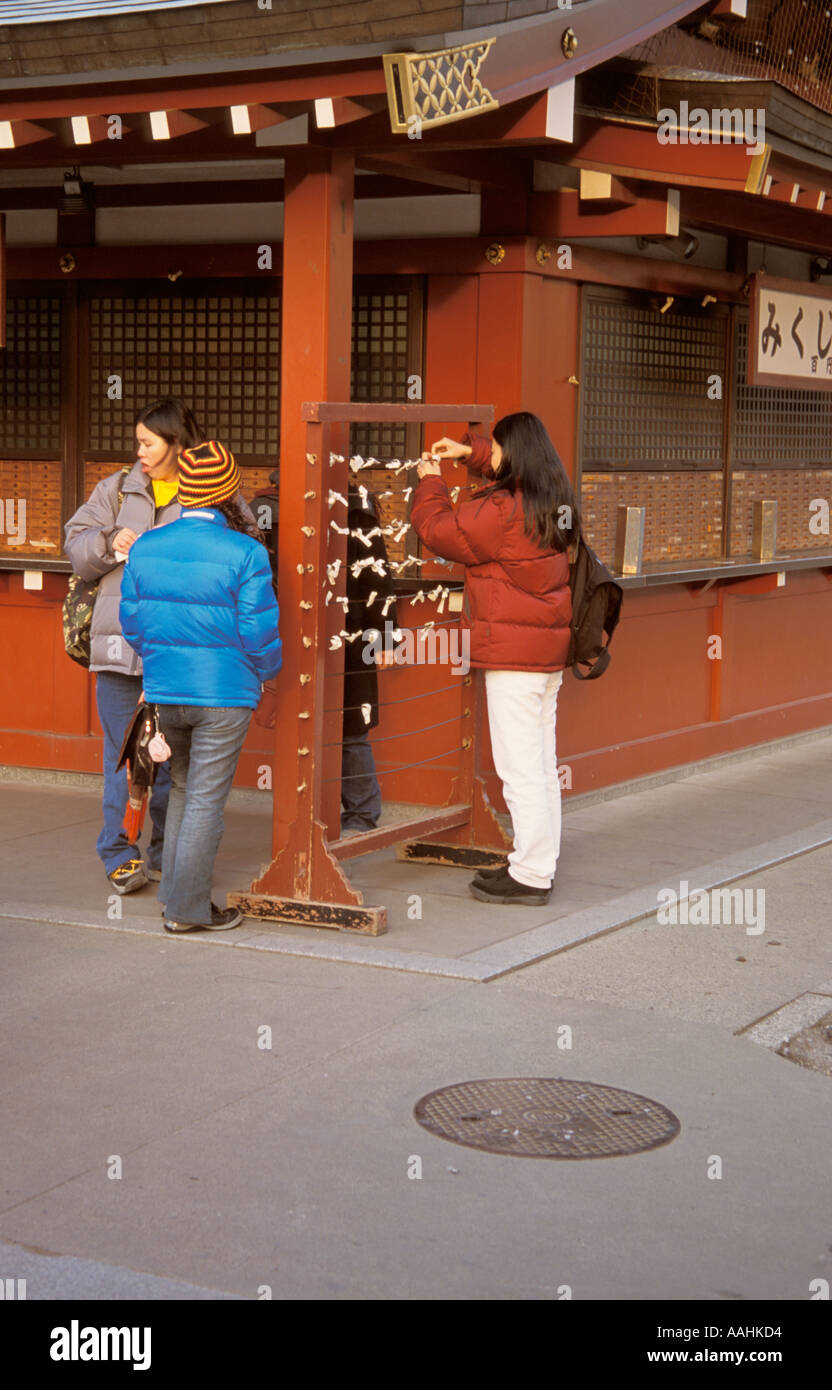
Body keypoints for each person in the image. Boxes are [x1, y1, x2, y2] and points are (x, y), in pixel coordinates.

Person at [411, 411, 577, 906]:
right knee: (540, 766)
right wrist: (471, 452)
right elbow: (503, 470)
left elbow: (441, 532)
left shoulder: (504, 509)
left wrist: (432, 483)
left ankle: (530, 875)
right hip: (543, 653)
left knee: (519, 767)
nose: (492, 456)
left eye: (496, 449)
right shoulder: (551, 496)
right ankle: (538, 861)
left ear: (515, 454)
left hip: (514, 658)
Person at [120, 440, 282, 933]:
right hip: (225, 695)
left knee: (187, 791)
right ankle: (188, 910)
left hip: (166, 691)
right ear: (227, 491)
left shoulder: (147, 544)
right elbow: (258, 632)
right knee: (205, 800)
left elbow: (132, 624)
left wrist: (162, 661)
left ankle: (173, 896)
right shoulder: (247, 552)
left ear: (183, 488)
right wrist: (264, 671)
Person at [64, 398, 200, 895]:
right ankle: (120, 851)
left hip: (181, 652)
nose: (139, 451)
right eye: (138, 442)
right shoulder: (117, 489)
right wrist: (107, 540)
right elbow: (75, 545)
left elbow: (244, 546)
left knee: (174, 758)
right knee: (123, 758)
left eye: (148, 442)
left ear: (176, 443)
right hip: (120, 649)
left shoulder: (206, 490)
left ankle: (167, 850)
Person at [341, 485, 398, 836]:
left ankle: (362, 813)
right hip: (300, 635)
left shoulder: (359, 519)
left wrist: (386, 638)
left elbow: (379, 581)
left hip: (354, 636)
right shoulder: (272, 508)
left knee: (353, 731)